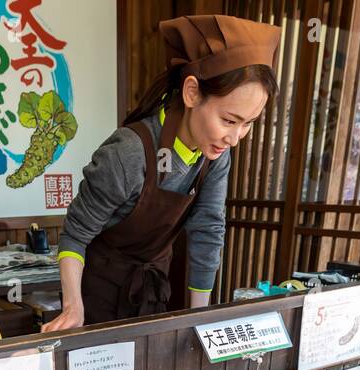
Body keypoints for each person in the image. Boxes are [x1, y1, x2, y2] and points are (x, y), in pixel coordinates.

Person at [42, 14, 280, 331]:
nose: (235, 138)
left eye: (248, 124)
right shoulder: (128, 153)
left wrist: (200, 320)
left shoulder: (215, 156)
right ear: (192, 92)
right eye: (228, 120)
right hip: (96, 294)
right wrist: (73, 310)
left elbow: (207, 233)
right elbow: (75, 234)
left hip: (151, 290)